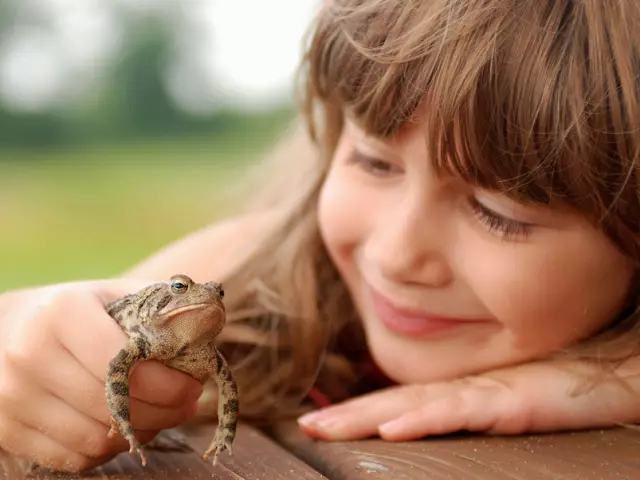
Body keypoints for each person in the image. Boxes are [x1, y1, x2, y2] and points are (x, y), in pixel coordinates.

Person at [2, 0, 640, 472]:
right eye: (374, 161)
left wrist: (616, 381)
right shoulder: (257, 273)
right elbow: (42, 343)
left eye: (500, 211)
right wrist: (24, 348)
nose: (394, 256)